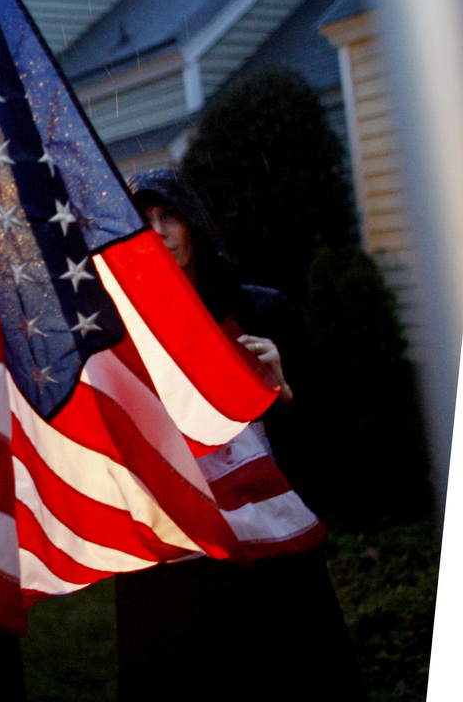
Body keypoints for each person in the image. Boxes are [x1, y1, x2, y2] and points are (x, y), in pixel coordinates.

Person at [115, 169, 364, 701]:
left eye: (169, 216)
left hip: (274, 560)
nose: (157, 232)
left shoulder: (260, 310)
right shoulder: (122, 331)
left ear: (194, 223)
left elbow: (333, 445)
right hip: (177, 563)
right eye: (142, 220)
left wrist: (285, 395)